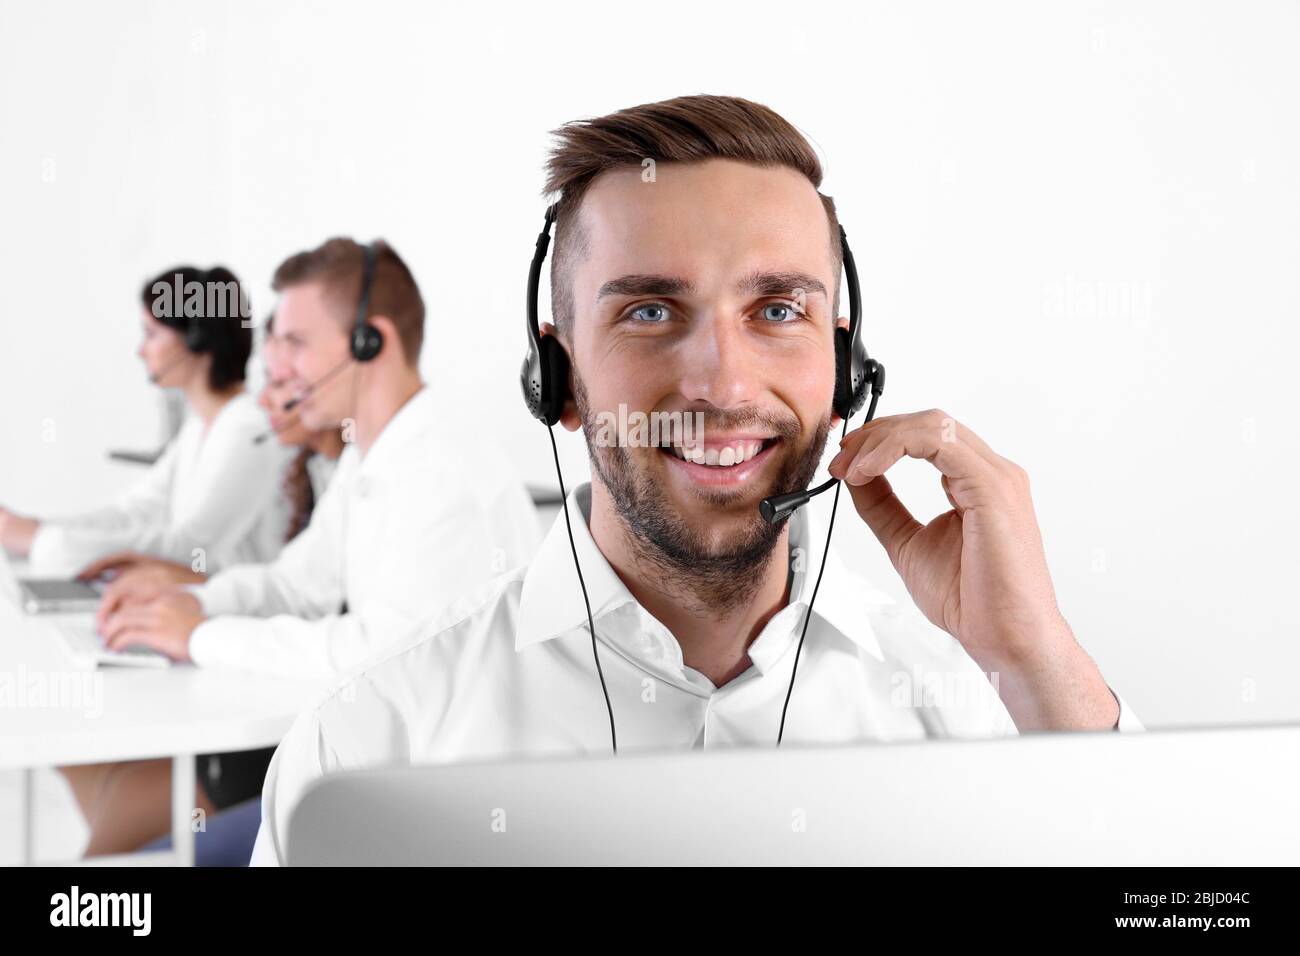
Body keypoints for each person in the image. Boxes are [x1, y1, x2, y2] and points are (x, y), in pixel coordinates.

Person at [248, 95, 1145, 866]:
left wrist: (1037, 663)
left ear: (845, 368)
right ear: (558, 383)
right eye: (649, 310)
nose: (722, 383)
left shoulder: (980, 715)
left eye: (779, 310)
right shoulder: (367, 745)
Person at [93, 238, 542, 682]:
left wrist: (202, 637)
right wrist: (199, 602)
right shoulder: (369, 457)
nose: (278, 369)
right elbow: (297, 585)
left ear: (370, 344)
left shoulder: (442, 472)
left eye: (295, 343)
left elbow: (385, 654)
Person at [60, 315, 347, 857]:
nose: (269, 401)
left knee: (120, 819)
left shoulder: (344, 477)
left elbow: (304, 609)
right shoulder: (317, 474)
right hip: (268, 704)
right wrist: (188, 592)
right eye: (269, 382)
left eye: (285, 385)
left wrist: (194, 606)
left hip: (281, 737)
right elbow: (276, 584)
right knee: (95, 762)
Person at [0, 265, 290, 579]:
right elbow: (136, 511)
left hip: (236, 618)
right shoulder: (200, 427)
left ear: (197, 340)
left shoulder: (247, 432)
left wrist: (47, 543)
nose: (141, 351)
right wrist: (38, 529)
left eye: (151, 334)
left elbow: (193, 549)